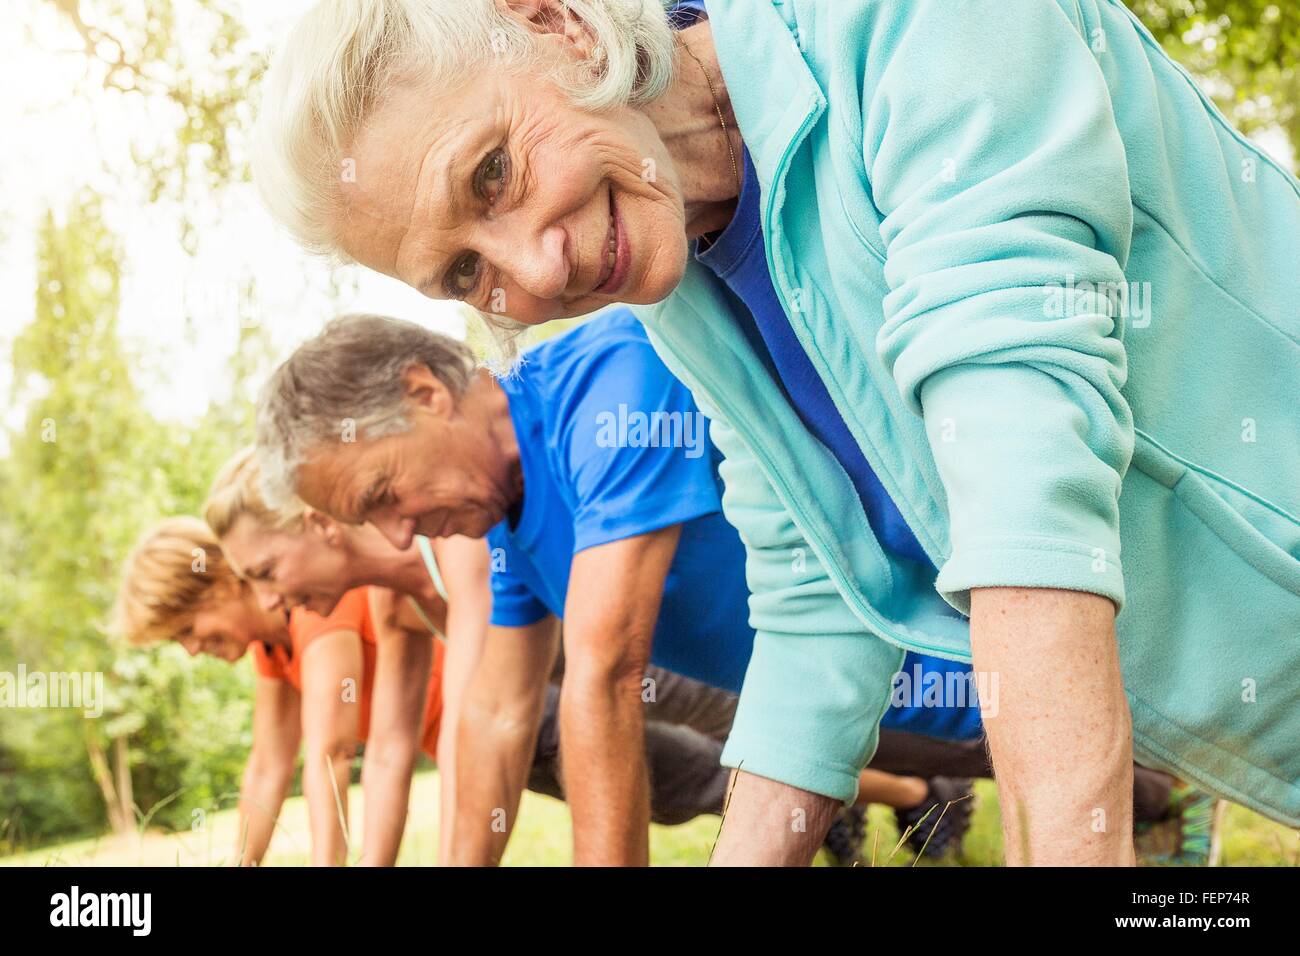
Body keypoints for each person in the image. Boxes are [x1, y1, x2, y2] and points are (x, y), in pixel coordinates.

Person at [252, 0, 1300, 865]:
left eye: (491, 173)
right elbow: (811, 592)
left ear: (555, 23)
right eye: (466, 275)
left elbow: (1023, 463)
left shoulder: (896, 25)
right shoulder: (682, 287)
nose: (533, 272)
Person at [253, 307, 1051, 866]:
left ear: (425, 393)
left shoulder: (610, 378)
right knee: (1118, 790)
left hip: (1003, 648)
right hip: (891, 715)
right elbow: (496, 715)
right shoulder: (497, 525)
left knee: (1140, 761)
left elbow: (604, 671)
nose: (397, 536)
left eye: (383, 494)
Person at [203, 445, 874, 863]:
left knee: (852, 728)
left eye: (265, 571)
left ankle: (933, 776)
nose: (268, 600)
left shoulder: (453, 543)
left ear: (320, 526)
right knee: (740, 760)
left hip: (652, 655)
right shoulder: (389, 601)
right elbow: (385, 754)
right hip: (601, 667)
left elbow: (478, 723)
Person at [112, 517, 439, 866]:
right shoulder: (272, 648)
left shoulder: (313, 603)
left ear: (221, 581)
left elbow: (332, 754)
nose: (192, 650)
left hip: (470, 714)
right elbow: (268, 767)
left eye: (188, 629)